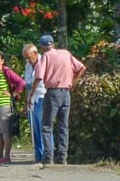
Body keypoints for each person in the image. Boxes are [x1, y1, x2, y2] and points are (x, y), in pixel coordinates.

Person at [34, 33, 85, 166]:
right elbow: (81, 67)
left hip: (52, 93)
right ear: (53, 44)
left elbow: (39, 77)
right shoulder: (65, 53)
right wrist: (72, 81)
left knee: (47, 125)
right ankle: (63, 156)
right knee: (63, 126)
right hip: (66, 92)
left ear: (42, 47)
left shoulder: (45, 56)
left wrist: (31, 94)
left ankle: (48, 156)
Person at [20, 43, 48, 165]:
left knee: (43, 127)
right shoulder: (28, 65)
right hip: (32, 99)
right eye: (25, 58)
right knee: (35, 128)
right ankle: (38, 156)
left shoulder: (44, 61)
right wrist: (26, 102)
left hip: (42, 96)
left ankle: (47, 156)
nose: (28, 60)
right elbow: (28, 86)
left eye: (29, 57)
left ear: (35, 54)